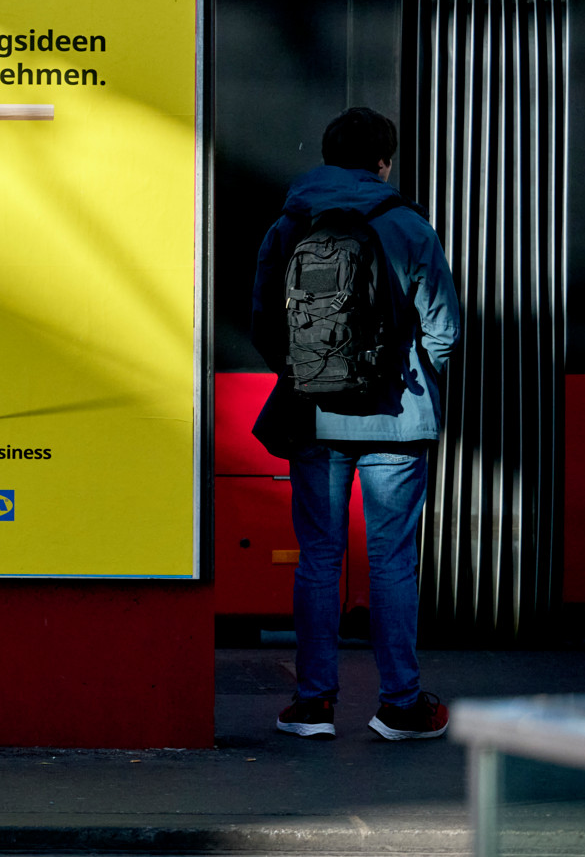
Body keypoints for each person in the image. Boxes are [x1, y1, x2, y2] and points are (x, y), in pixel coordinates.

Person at [251, 108, 461, 743]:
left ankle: (313, 704)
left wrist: (312, 375)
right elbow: (445, 331)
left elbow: (265, 324)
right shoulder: (407, 225)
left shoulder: (288, 225)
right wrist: (410, 374)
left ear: (325, 155)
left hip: (313, 418)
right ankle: (400, 704)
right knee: (391, 560)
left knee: (318, 556)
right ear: (383, 162)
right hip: (397, 418)